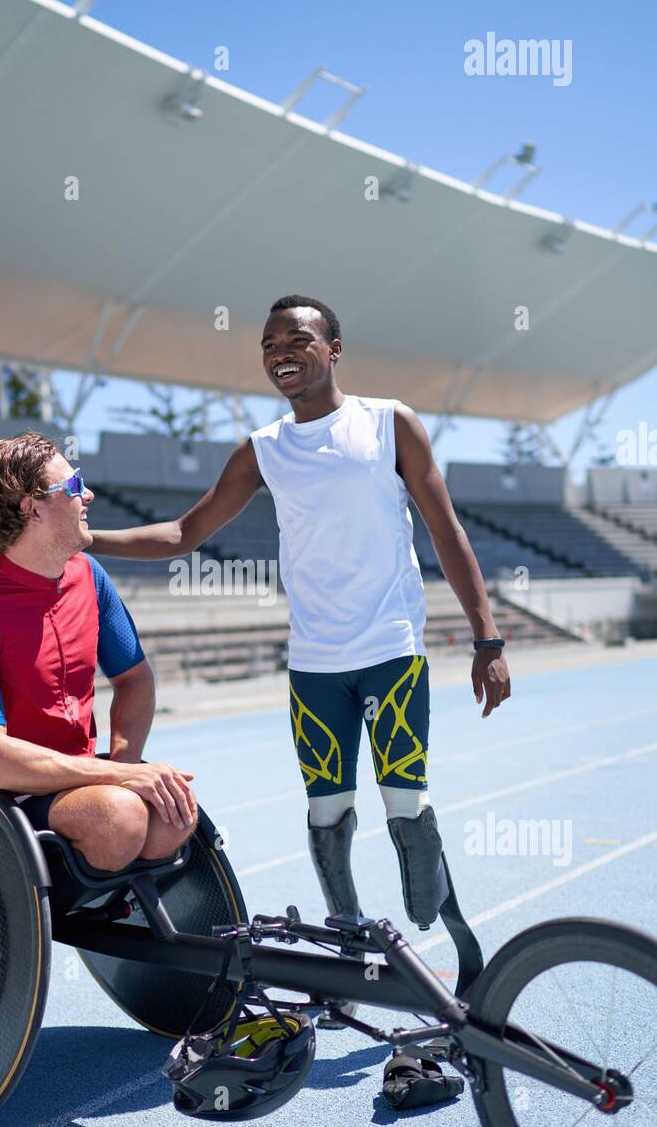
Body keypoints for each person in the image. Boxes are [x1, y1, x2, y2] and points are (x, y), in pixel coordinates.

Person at [89, 294, 511, 1023]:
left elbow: (446, 533)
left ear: (334, 347)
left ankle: (458, 954)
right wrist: (88, 541)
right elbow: (184, 533)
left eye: (298, 338)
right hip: (314, 665)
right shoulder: (263, 448)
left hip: (390, 652)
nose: (281, 350)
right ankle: (348, 951)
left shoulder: (388, 423)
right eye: (268, 342)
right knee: (326, 813)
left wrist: (487, 638)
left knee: (406, 809)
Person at [0, 433, 198, 872]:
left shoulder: (89, 575)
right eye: (73, 485)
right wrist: (119, 780)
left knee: (174, 814)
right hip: (2, 792)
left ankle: (108, 917)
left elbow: (134, 678)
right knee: (118, 817)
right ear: (32, 508)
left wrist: (124, 764)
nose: (87, 494)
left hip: (74, 777)